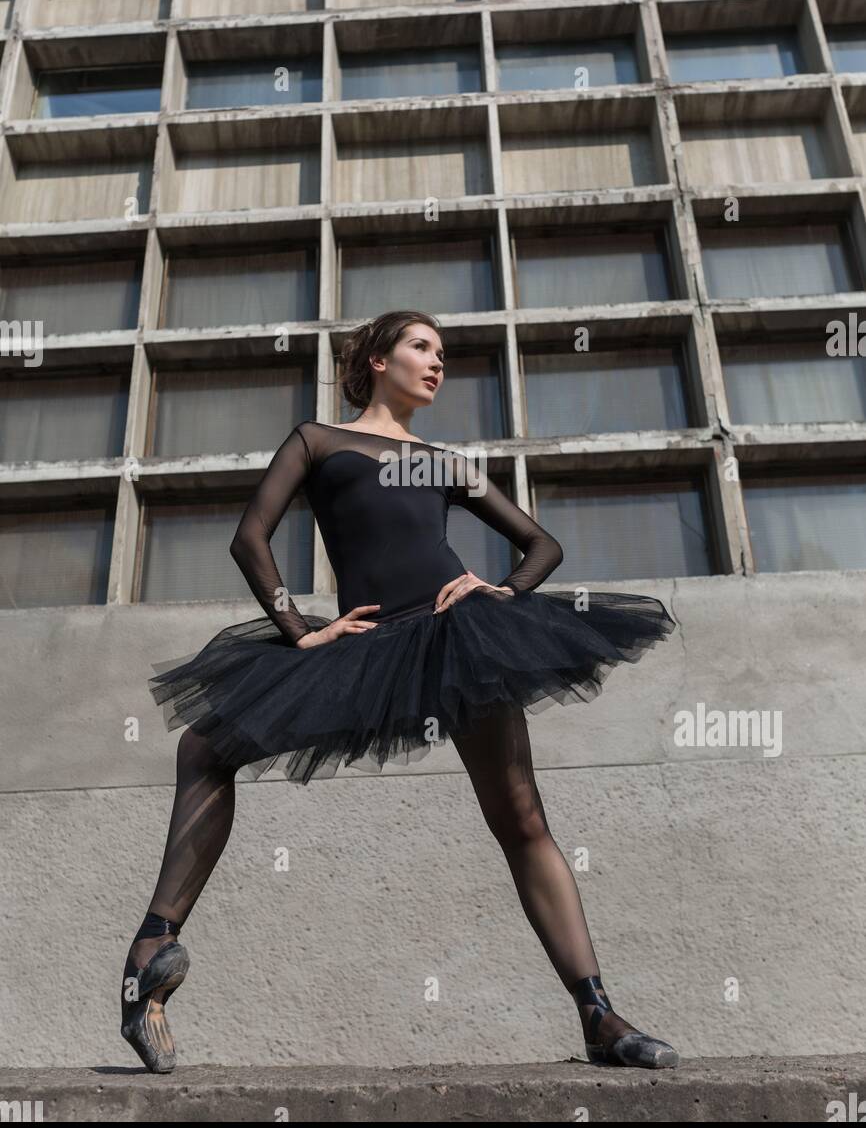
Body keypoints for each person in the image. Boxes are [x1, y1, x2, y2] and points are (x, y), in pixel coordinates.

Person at [123, 309, 679, 1075]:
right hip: (364, 643)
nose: (437, 361)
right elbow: (249, 536)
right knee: (204, 746)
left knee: (521, 817)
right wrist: (297, 629)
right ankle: (151, 951)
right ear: (377, 359)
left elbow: (542, 544)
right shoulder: (320, 440)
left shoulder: (444, 461)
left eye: (443, 353)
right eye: (421, 346)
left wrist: (503, 591)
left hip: (457, 639)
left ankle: (598, 1016)